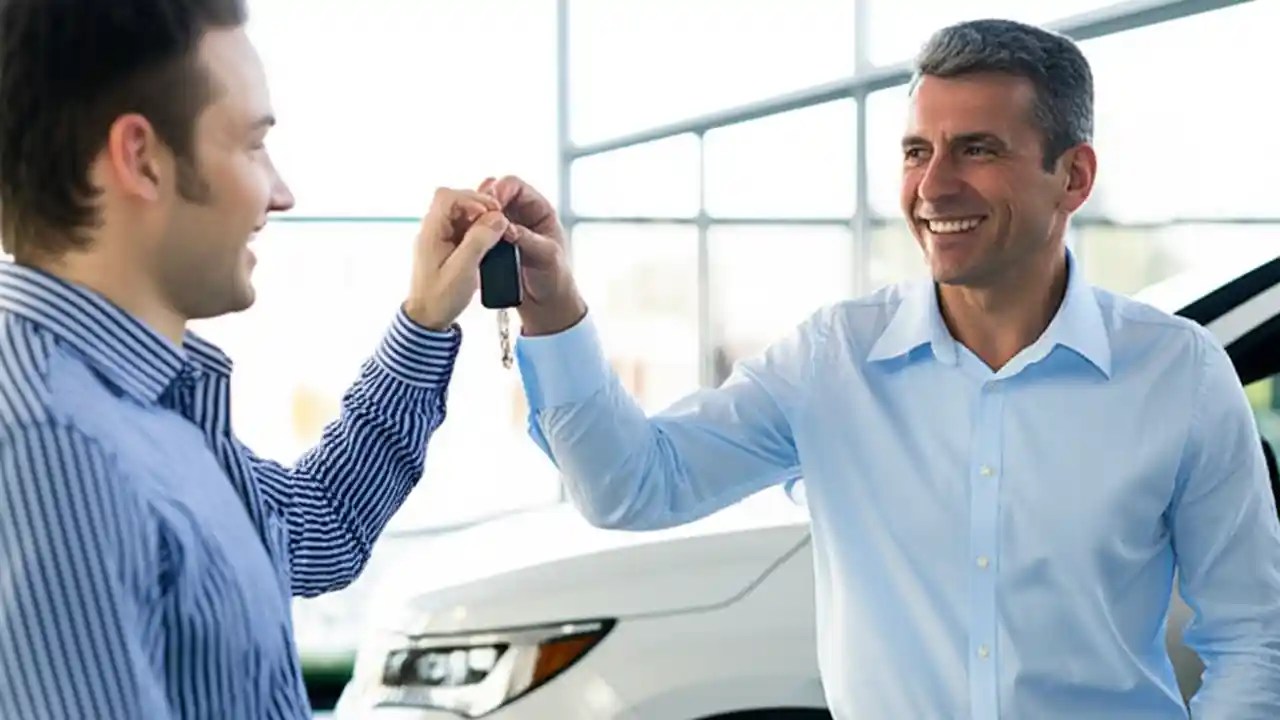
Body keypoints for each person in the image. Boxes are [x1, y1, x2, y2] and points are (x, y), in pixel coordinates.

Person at [487, 18, 1280, 720]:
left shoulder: (1178, 375)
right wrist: (551, 308)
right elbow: (631, 485)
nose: (933, 186)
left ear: (1072, 177)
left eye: (978, 149)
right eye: (916, 151)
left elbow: (1256, 636)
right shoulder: (831, 362)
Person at [0, 1, 512, 717]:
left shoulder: (141, 405)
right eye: (251, 145)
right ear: (141, 158)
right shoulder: (54, 448)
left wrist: (425, 320)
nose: (281, 193)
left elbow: (315, 523)